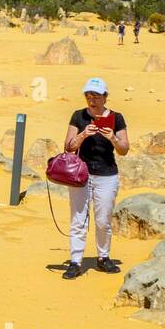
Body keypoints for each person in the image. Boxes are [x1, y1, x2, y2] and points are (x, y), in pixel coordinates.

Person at [61, 77, 129, 280]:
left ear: (105, 97)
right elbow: (68, 146)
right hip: (81, 174)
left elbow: (124, 149)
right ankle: (75, 261)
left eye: (96, 95)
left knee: (103, 219)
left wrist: (113, 138)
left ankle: (103, 257)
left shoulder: (117, 118)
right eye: (88, 95)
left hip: (107, 175)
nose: (91, 99)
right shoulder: (78, 116)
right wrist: (83, 135)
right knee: (78, 218)